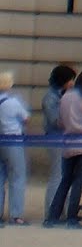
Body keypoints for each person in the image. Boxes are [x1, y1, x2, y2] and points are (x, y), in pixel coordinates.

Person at [44, 66, 82, 227]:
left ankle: (53, 216)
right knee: (78, 182)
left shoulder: (66, 97)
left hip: (68, 143)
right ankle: (71, 217)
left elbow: (61, 121)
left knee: (65, 180)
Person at [41, 64, 76, 213]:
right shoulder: (51, 97)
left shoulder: (63, 95)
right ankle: (52, 210)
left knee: (65, 176)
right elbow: (55, 120)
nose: (73, 83)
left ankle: (62, 209)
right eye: (71, 80)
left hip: (64, 138)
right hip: (55, 139)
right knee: (57, 175)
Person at [0, 70, 31, 225]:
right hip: (13, 140)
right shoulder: (14, 102)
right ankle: (16, 214)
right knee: (17, 177)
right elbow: (26, 119)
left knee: (0, 178)